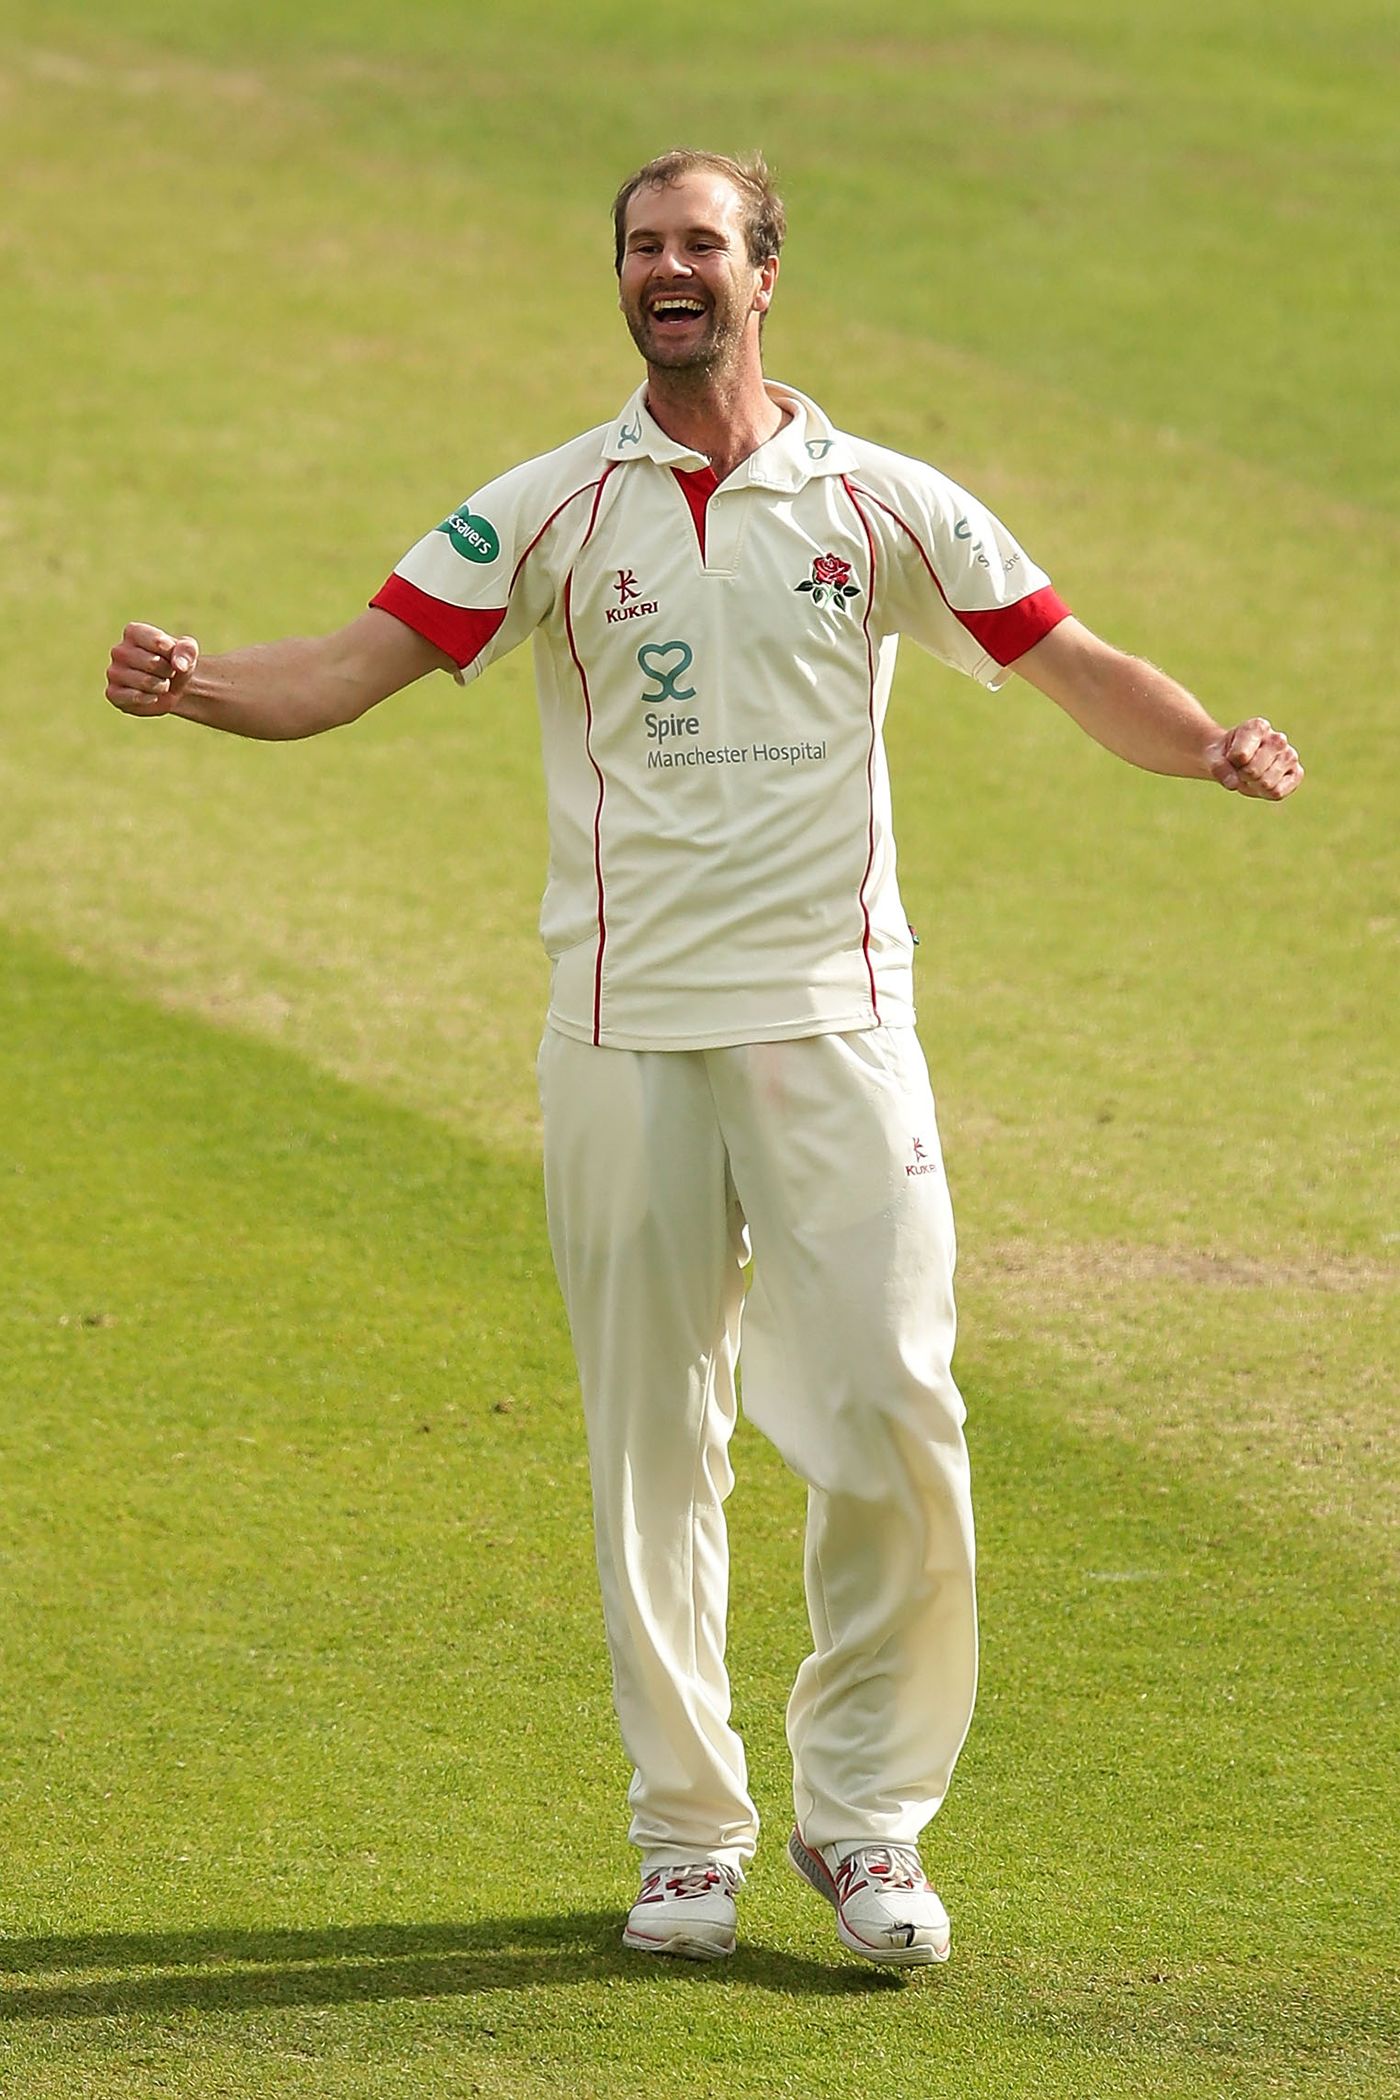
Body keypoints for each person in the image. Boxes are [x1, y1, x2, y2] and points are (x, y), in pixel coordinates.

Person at [106, 148, 1303, 1968]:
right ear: (621, 285)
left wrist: (1211, 743)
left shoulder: (881, 502)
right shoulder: (547, 509)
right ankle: (687, 1838)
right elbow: (349, 666)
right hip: (621, 1036)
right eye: (643, 248)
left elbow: (1067, 658)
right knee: (651, 1440)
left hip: (838, 1024)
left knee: (899, 1405)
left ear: (764, 277)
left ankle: (870, 1825)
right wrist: (196, 685)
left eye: (702, 245)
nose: (672, 270)